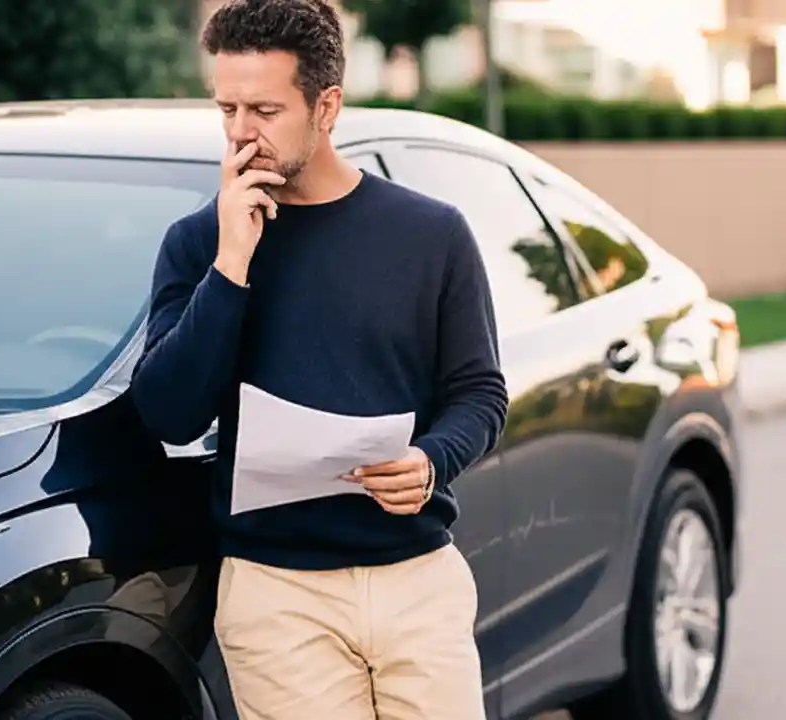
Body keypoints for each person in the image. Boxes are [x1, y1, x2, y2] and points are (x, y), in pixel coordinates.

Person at [128, 1, 508, 718]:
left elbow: (480, 392)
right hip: (277, 594)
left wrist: (431, 462)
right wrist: (232, 262)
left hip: (416, 581)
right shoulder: (198, 244)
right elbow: (170, 414)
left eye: (265, 109)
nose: (242, 132)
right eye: (228, 109)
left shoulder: (431, 235)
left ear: (326, 106)